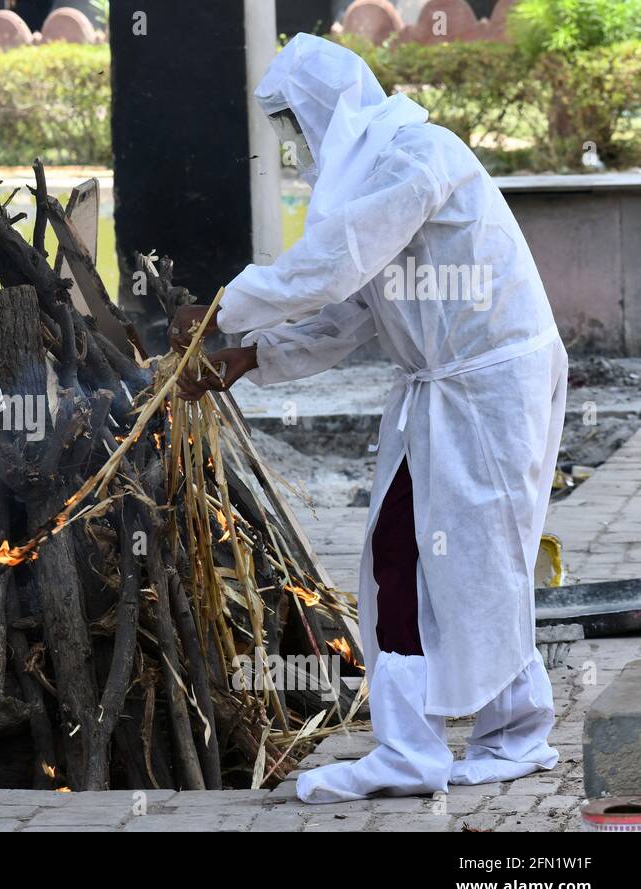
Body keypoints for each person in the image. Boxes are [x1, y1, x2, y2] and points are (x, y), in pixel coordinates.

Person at [171, 34, 565, 804]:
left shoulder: (416, 156)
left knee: (422, 554)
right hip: (459, 388)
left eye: (296, 120)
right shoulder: (379, 171)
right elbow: (356, 309)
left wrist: (224, 307)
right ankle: (515, 732)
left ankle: (414, 749)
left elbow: (335, 262)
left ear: (329, 107)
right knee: (479, 559)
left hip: (483, 387)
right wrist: (249, 357)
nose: (296, 141)